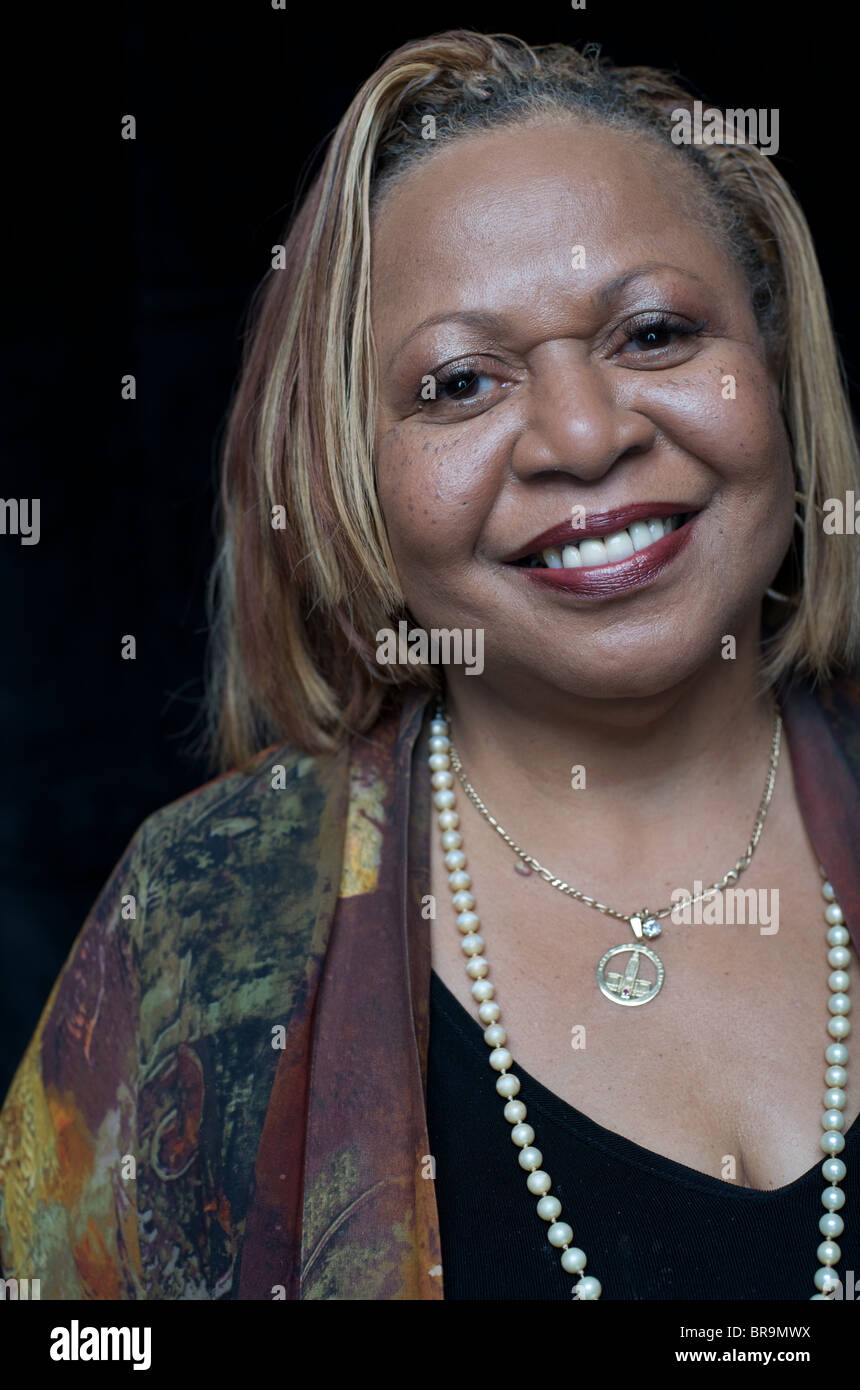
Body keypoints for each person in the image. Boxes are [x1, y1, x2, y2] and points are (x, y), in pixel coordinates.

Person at [1, 29, 858, 1301]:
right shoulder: (198, 913)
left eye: (656, 333)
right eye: (459, 382)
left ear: (774, 372)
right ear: (349, 474)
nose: (581, 434)